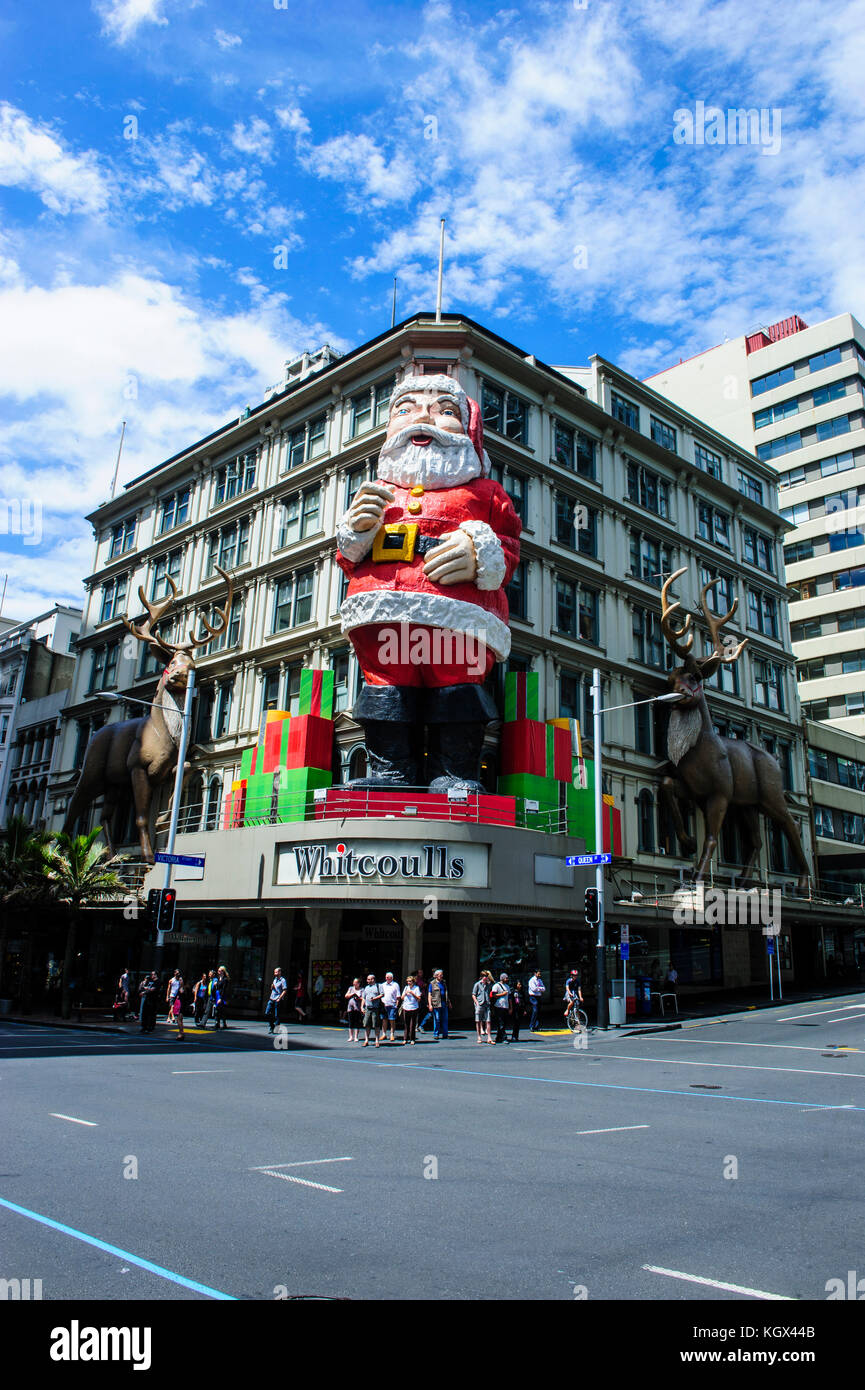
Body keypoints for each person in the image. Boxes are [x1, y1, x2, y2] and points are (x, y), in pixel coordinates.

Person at [427, 969, 450, 1040]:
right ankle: (436, 1034)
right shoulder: (432, 983)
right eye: (440, 975)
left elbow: (446, 992)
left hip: (444, 1003)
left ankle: (445, 1034)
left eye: (442, 974)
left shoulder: (444, 982)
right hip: (436, 1003)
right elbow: (429, 994)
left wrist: (449, 1002)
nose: (441, 976)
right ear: (436, 975)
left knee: (445, 1019)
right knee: (437, 1019)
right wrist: (430, 1004)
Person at [361, 974, 383, 1047]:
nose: (368, 981)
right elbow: (364, 998)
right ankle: (366, 1040)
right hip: (368, 1008)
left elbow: (382, 994)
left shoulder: (378, 986)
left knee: (376, 1025)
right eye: (367, 979)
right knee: (367, 1024)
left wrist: (375, 998)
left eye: (369, 979)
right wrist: (362, 1007)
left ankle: (377, 1040)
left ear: (373, 979)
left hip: (375, 1008)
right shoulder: (366, 988)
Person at [265, 967, 288, 1034]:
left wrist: (279, 998)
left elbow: (285, 990)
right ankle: (272, 1026)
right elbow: (272, 988)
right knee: (267, 1013)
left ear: (280, 972)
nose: (275, 974)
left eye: (276, 972)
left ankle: (275, 1028)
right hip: (272, 998)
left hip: (278, 999)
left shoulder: (283, 980)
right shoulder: (274, 979)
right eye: (274, 972)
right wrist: (272, 987)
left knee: (276, 1015)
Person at [491, 972, 512, 1043]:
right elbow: (493, 995)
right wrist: (502, 994)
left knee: (504, 1022)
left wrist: (510, 1007)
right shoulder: (496, 986)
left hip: (505, 1006)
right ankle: (504, 1037)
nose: (507, 979)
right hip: (499, 1006)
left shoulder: (507, 986)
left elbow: (509, 997)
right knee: (501, 1022)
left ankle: (498, 1037)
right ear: (502, 978)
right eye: (506, 978)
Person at [472, 970, 492, 1044]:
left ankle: (489, 1037)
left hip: (487, 1004)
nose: (485, 978)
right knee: (478, 1021)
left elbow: (492, 986)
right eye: (483, 976)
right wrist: (476, 1003)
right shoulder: (477, 984)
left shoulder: (489, 985)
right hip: (479, 1004)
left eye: (486, 976)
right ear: (481, 977)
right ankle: (479, 1036)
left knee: (488, 1021)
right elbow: (473, 994)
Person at [380, 972, 401, 1043]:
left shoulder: (395, 985)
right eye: (386, 977)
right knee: (384, 1020)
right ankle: (384, 1034)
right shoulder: (382, 985)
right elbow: (380, 994)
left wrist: (396, 1005)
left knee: (392, 1020)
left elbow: (398, 996)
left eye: (388, 977)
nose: (387, 978)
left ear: (391, 978)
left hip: (392, 1005)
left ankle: (392, 1034)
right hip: (384, 1005)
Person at [212, 966, 230, 1030]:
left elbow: (224, 989)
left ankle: (224, 1023)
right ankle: (217, 1023)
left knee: (221, 1010)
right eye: (218, 971)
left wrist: (221, 998)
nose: (218, 972)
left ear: (223, 971)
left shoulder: (225, 979)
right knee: (217, 1010)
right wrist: (215, 984)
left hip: (221, 996)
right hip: (217, 995)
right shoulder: (218, 978)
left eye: (219, 971)